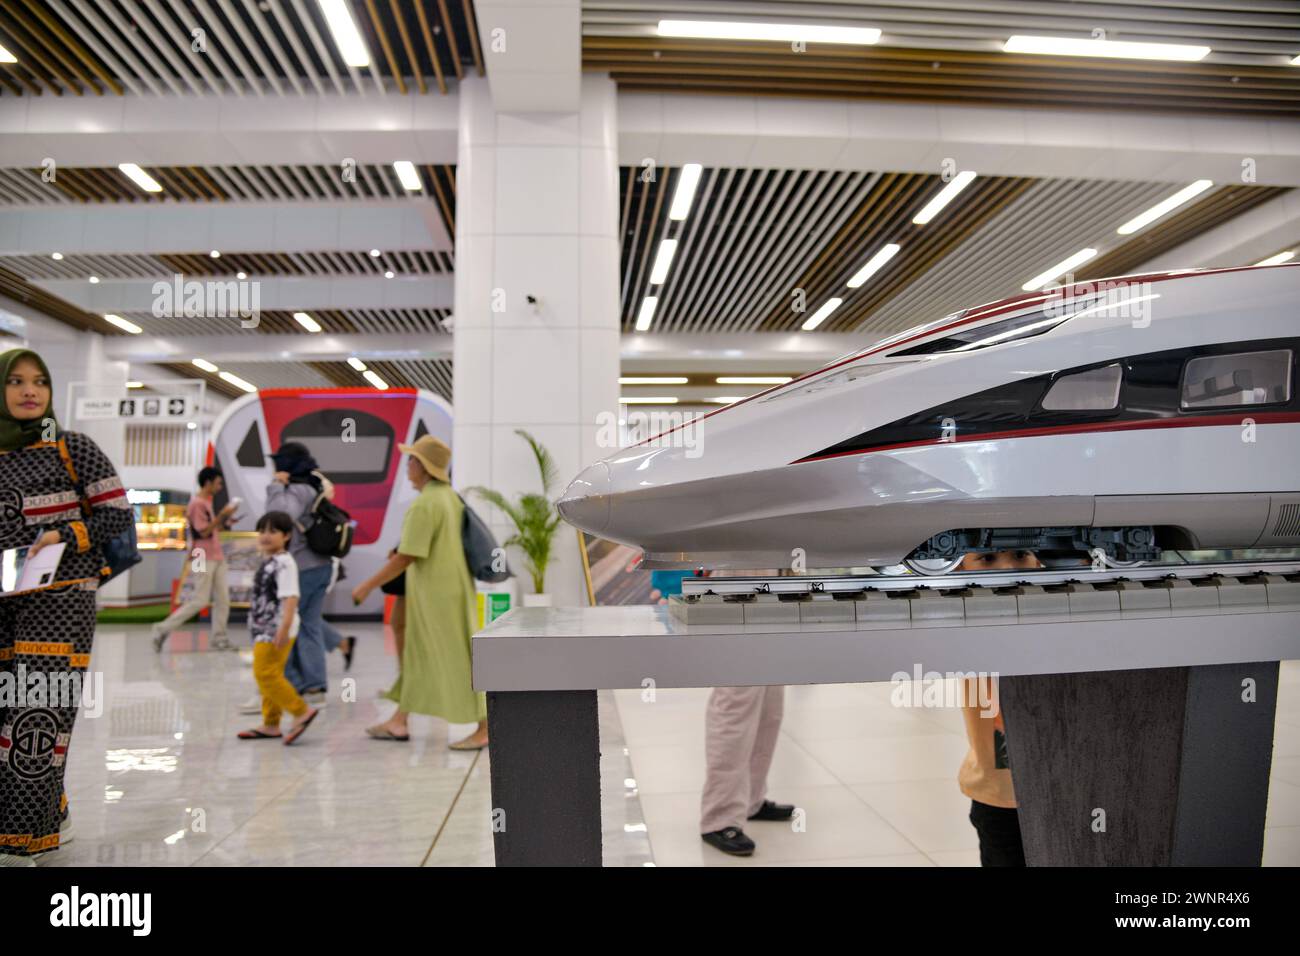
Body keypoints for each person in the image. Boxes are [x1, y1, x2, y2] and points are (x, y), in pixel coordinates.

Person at [0, 349, 133, 867]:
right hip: (5, 598)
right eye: (15, 381)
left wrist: (63, 532)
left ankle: (19, 843)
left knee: (37, 713)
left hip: (61, 600)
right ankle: (50, 812)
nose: (29, 391)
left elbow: (118, 514)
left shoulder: (72, 448)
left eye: (39, 382)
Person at [350, 435, 485, 749]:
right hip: (447, 589)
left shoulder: (426, 503)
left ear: (424, 467)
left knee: (456, 658)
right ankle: (400, 720)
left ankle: (485, 726)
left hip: (435, 595)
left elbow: (408, 555)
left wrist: (366, 585)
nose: (407, 465)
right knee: (421, 655)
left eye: (411, 460)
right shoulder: (448, 497)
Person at [955, 549, 1042, 867]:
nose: (1007, 568)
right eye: (988, 558)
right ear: (958, 569)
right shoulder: (968, 621)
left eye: (1020, 555)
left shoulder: (1051, 616)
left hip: (1058, 790)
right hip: (1000, 797)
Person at [237, 512, 318, 744]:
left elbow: (291, 597)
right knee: (271, 674)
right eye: (262, 531)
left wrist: (283, 628)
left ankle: (301, 711)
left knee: (264, 673)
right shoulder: (271, 561)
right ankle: (271, 724)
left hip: (274, 630)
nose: (265, 536)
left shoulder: (284, 563)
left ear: (287, 536)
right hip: (264, 628)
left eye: (273, 532)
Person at [265, 442, 333, 705]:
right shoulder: (315, 485)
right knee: (310, 626)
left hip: (302, 567)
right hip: (320, 565)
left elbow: (278, 516)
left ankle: (291, 683)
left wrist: (275, 486)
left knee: (289, 624)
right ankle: (315, 687)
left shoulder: (298, 488)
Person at [151, 466, 237, 652]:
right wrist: (221, 516)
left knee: (223, 599)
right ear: (208, 482)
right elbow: (203, 532)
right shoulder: (197, 504)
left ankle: (219, 637)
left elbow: (211, 529)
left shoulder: (205, 503)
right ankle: (161, 628)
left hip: (216, 555)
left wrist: (224, 520)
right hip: (201, 555)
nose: (220, 487)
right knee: (200, 599)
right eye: (218, 483)